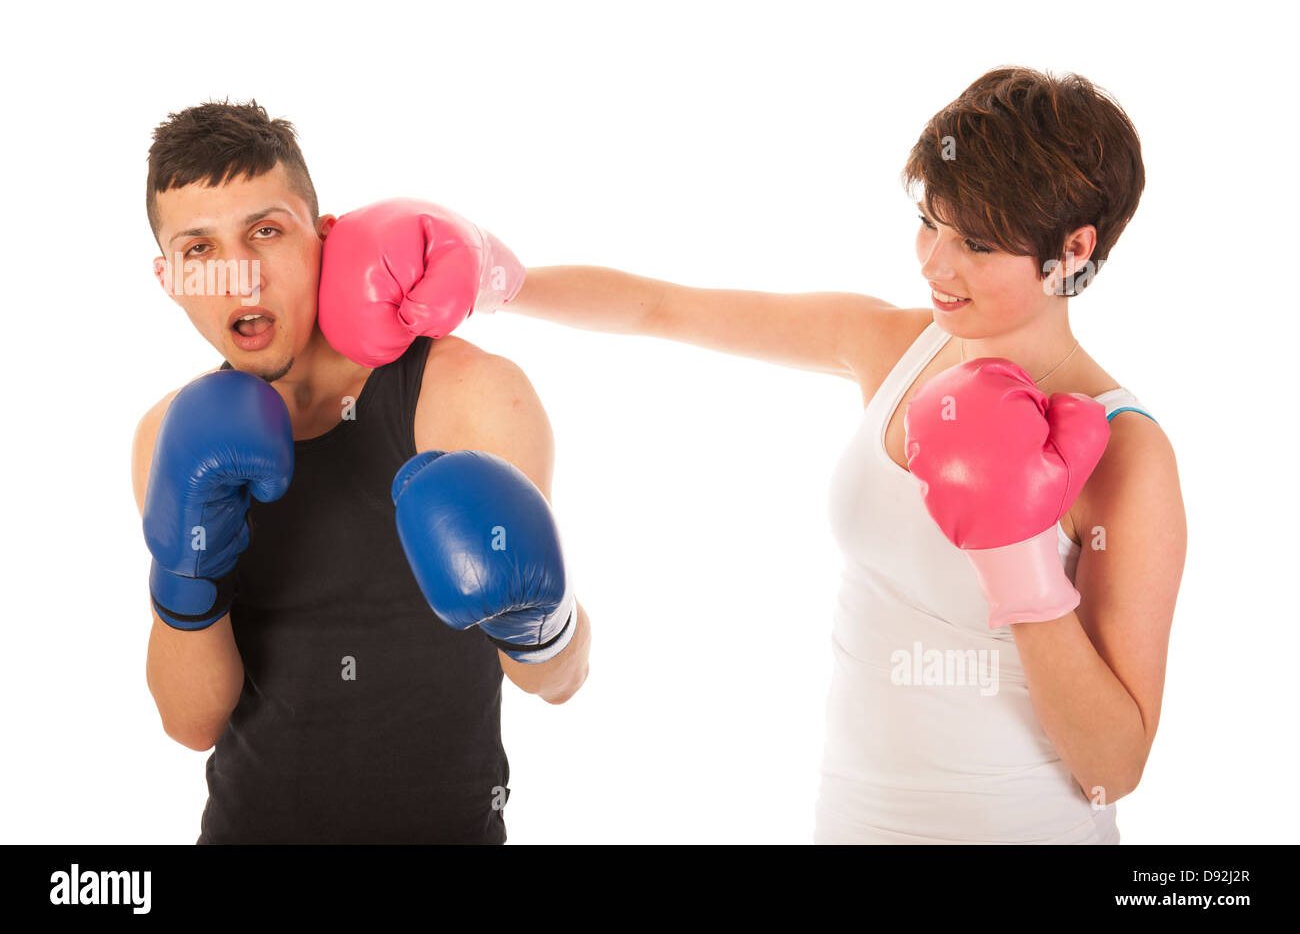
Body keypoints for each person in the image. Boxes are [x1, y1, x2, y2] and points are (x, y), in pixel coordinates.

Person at [480, 66, 1187, 843]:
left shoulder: (1126, 450)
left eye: (977, 244)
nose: (934, 264)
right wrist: (494, 283)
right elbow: (662, 306)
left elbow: (1113, 769)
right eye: (930, 221)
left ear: (1072, 250)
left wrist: (1018, 558)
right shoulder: (893, 346)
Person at [131, 100, 591, 844]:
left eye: (265, 232)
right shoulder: (166, 436)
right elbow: (190, 722)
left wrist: (538, 622)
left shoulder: (465, 394)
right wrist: (189, 577)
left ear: (324, 237)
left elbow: (558, 680)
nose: (238, 277)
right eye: (200, 251)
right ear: (170, 278)